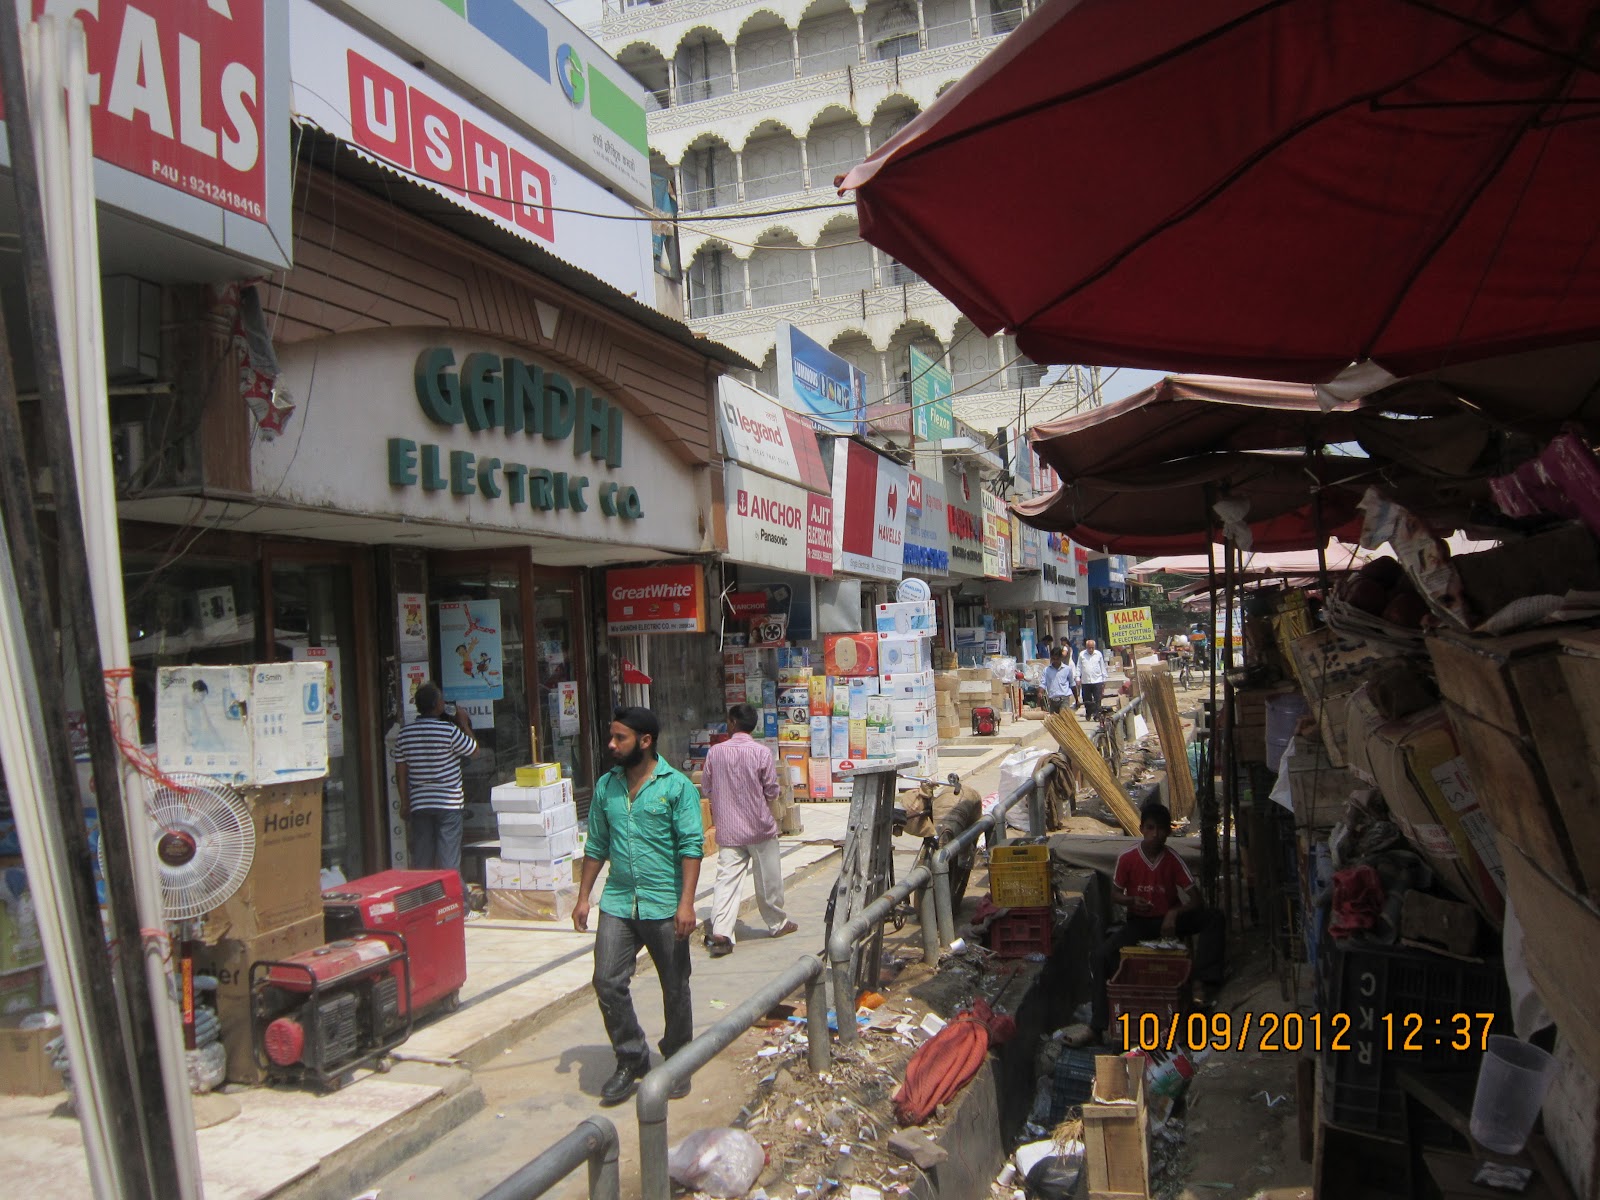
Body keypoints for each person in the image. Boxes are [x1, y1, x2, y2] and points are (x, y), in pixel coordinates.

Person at [574, 707, 703, 1107]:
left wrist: (686, 904)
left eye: (620, 738)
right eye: (611, 737)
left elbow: (691, 848)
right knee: (607, 980)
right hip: (618, 901)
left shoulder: (676, 787)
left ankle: (678, 1058)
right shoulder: (605, 788)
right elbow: (596, 845)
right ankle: (631, 1058)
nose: (611, 745)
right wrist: (583, 897)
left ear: (645, 742)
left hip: (665, 904)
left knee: (675, 984)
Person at [1091, 801, 1225, 1036]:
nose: (1156, 835)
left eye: (1161, 829)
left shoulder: (1172, 859)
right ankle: (1100, 1022)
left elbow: (1196, 899)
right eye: (1151, 828)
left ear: (1169, 832)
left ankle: (1202, 983)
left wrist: (1174, 913)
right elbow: (1114, 894)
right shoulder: (1128, 858)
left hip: (1169, 923)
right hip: (1140, 923)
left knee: (1214, 918)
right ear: (1142, 828)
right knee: (1102, 955)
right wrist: (1132, 900)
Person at [702, 704, 799, 958]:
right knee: (769, 880)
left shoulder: (715, 753)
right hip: (760, 828)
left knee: (726, 881)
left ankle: (722, 932)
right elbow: (771, 790)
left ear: (733, 723)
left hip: (729, 830)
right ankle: (777, 923)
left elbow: (706, 788)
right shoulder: (761, 753)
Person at [393, 682, 481, 872]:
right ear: (437, 705)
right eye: (441, 699)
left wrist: (405, 803)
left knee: (422, 860)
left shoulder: (404, 734)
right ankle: (455, 899)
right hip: (448, 804)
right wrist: (463, 723)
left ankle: (424, 898)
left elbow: (400, 773)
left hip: (420, 804)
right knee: (448, 860)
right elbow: (474, 751)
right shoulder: (448, 731)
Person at [1078, 638, 1109, 718]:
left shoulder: (1098, 654)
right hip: (1086, 681)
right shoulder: (1082, 655)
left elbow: (1102, 666)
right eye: (1089, 648)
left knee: (1097, 698)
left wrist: (1104, 679)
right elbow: (1079, 667)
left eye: (1092, 647)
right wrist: (1077, 677)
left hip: (1097, 680)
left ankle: (1097, 714)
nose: (1091, 649)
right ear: (1086, 647)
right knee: (1087, 700)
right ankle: (1089, 712)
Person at [1041, 647, 1077, 714]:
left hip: (1064, 699)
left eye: (1057, 659)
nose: (1055, 661)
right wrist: (1040, 693)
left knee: (1064, 718)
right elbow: (1043, 684)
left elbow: (1072, 684)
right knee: (1055, 721)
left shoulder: (1067, 669)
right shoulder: (1046, 670)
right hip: (1052, 700)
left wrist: (1076, 699)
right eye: (1053, 659)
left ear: (1061, 658)